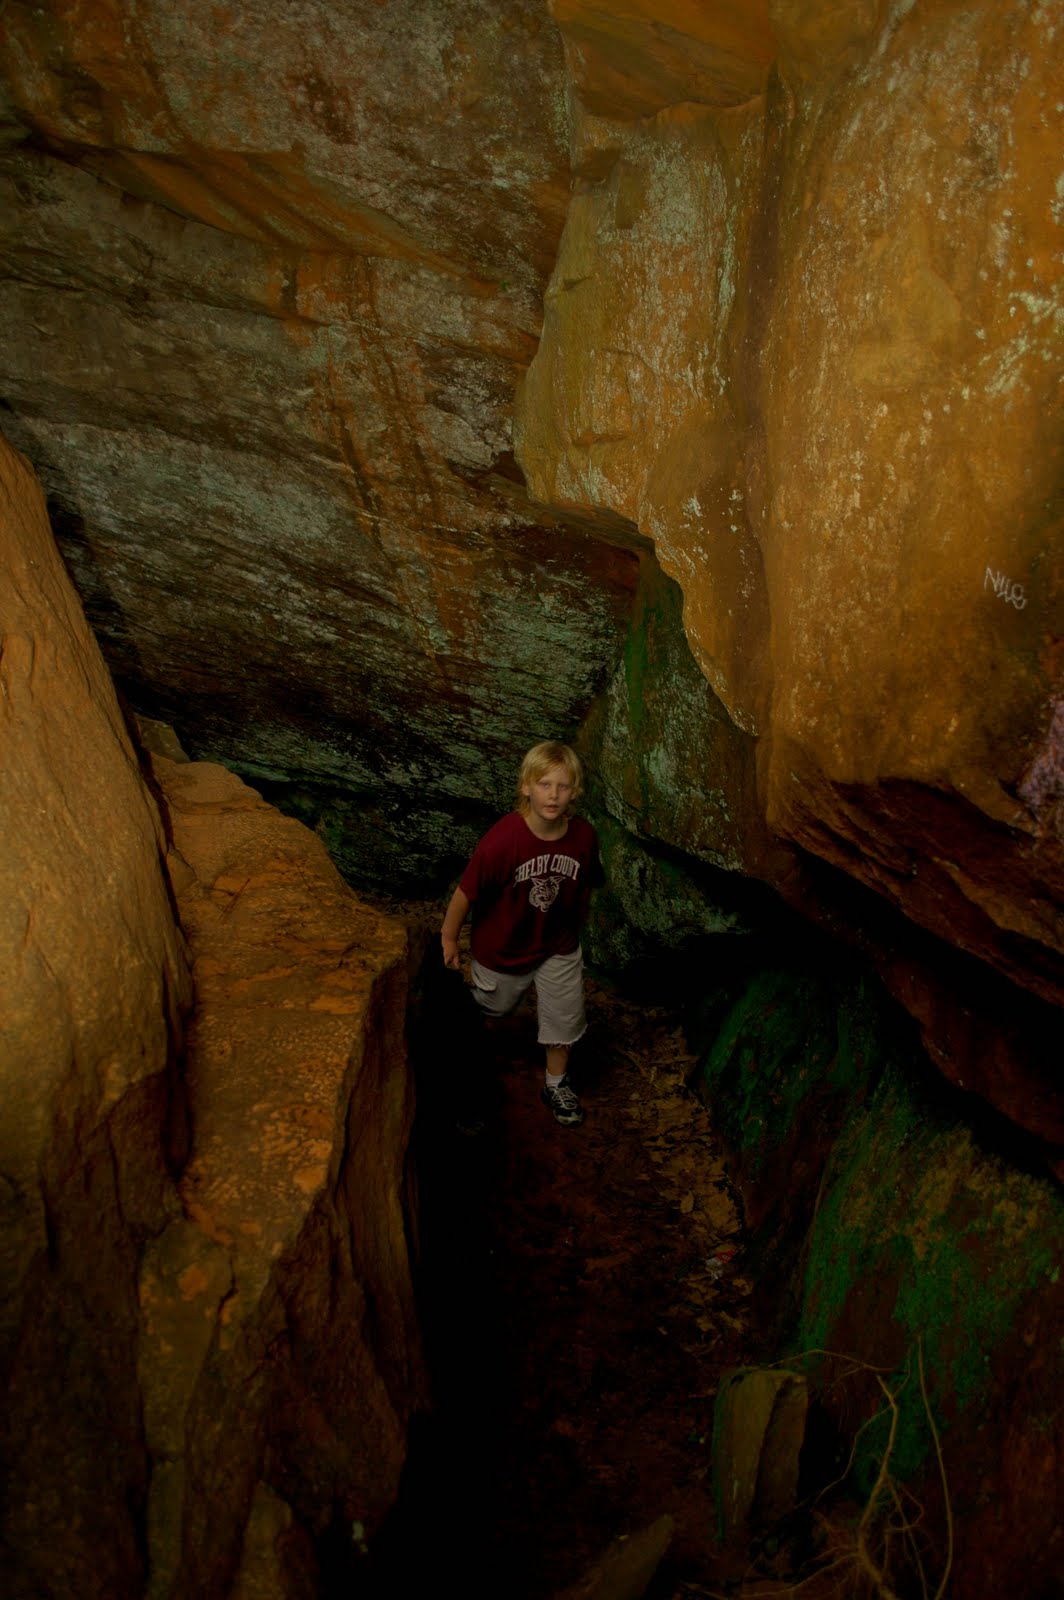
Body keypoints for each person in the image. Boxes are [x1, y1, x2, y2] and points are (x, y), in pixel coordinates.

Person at [440, 741, 601, 1126]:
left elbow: (587, 882)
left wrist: (572, 926)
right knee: (495, 1007)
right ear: (526, 787)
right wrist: (448, 938)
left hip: (557, 944)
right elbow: (465, 893)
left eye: (563, 786)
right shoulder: (503, 840)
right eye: (544, 785)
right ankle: (452, 1032)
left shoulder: (583, 836)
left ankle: (556, 1083)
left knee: (563, 1017)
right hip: (505, 947)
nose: (553, 795)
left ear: (575, 791)